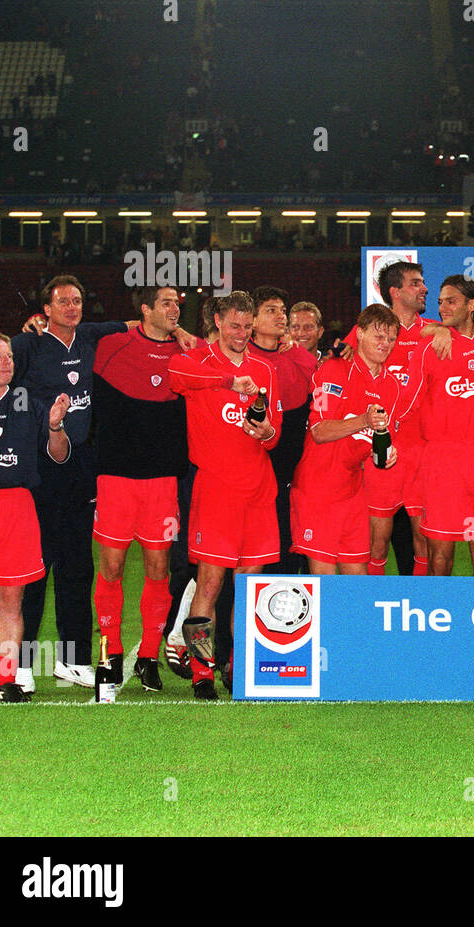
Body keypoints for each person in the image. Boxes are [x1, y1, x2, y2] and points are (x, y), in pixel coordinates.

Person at [8, 276, 134, 690]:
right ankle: (22, 664)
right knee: (34, 566)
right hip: (38, 468)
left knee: (78, 564)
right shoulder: (27, 345)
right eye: (62, 301)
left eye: (77, 300)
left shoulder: (91, 337)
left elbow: (138, 325)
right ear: (45, 309)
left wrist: (182, 331)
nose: (71, 307)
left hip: (81, 466)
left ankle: (74, 659)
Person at [169, 291, 282, 700]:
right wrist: (228, 380)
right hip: (216, 489)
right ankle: (202, 670)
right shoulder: (197, 362)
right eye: (235, 326)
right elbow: (174, 377)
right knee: (211, 583)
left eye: (248, 326)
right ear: (217, 322)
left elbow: (276, 431)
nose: (242, 333)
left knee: (251, 586)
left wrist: (266, 432)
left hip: (258, 490)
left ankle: (239, 666)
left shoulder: (266, 369)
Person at [89, 285, 191, 692]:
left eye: (177, 303)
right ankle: (110, 652)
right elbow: (75, 332)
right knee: (111, 568)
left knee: (158, 569)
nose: (174, 308)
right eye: (165, 302)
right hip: (115, 476)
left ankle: (148, 655)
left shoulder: (186, 354)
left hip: (163, 479)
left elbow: (227, 349)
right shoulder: (113, 344)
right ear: (145, 310)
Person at [0, 332, 70, 702]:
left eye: (9, 355)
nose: (7, 362)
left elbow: (58, 456)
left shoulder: (26, 400)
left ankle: (6, 680)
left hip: (18, 507)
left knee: (11, 601)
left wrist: (56, 425)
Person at [397, 276, 474, 576]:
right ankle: (439, 617)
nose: (443, 307)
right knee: (439, 554)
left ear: (472, 305)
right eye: (440, 302)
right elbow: (406, 405)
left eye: (451, 301)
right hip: (442, 460)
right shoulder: (430, 347)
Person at [291, 304, 402, 574]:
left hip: (352, 490)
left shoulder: (392, 386)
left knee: (357, 581)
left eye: (390, 338)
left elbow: (377, 441)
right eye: (378, 336)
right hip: (318, 488)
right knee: (325, 581)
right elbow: (319, 431)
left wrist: (386, 454)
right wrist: (363, 420)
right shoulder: (335, 370)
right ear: (360, 334)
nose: (385, 344)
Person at [344, 261, 433, 576]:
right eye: (415, 283)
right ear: (394, 292)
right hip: (381, 452)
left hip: (422, 452)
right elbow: (339, 368)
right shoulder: (365, 334)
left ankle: (423, 613)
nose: (424, 289)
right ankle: (373, 613)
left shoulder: (436, 333)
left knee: (426, 542)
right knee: (376, 543)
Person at [248, 285, 318, 575]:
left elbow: (322, 374)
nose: (281, 317)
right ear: (252, 320)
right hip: (250, 467)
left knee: (287, 540)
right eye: (271, 310)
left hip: (290, 470)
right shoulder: (241, 358)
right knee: (249, 550)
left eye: (282, 311)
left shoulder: (298, 358)